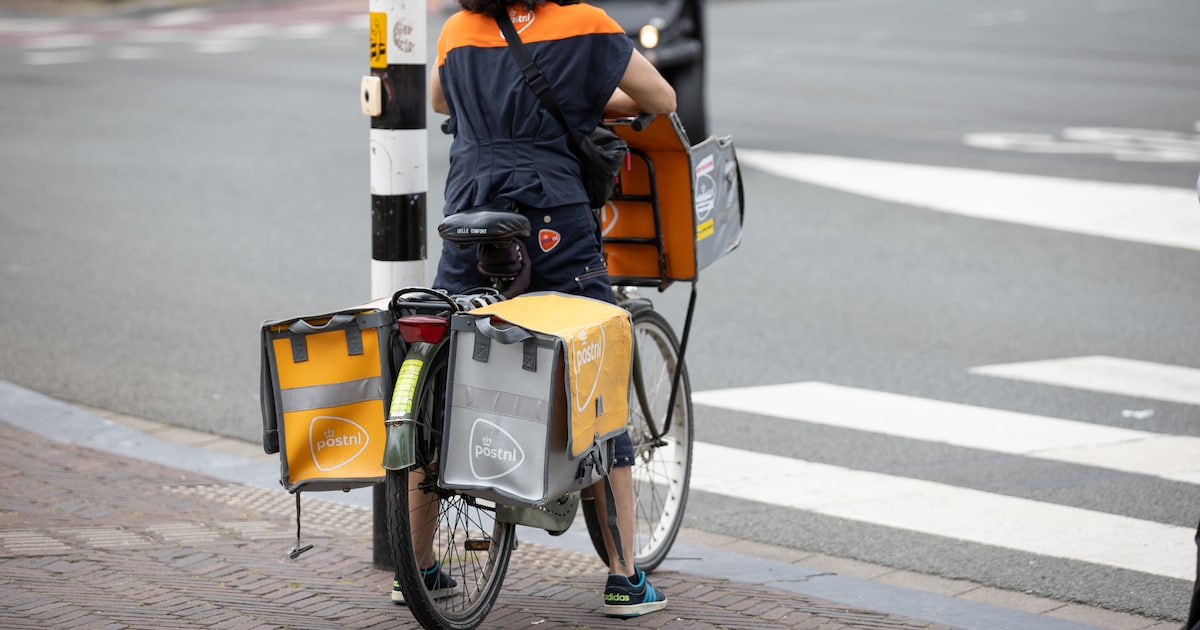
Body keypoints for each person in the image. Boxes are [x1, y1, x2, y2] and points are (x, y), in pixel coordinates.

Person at [399, 0, 677, 619]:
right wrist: (591, 105)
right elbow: (660, 99)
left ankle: (416, 568)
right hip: (552, 213)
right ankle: (625, 579)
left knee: (445, 367)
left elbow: (443, 102)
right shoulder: (585, 25)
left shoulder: (457, 29)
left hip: (469, 211)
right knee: (597, 380)